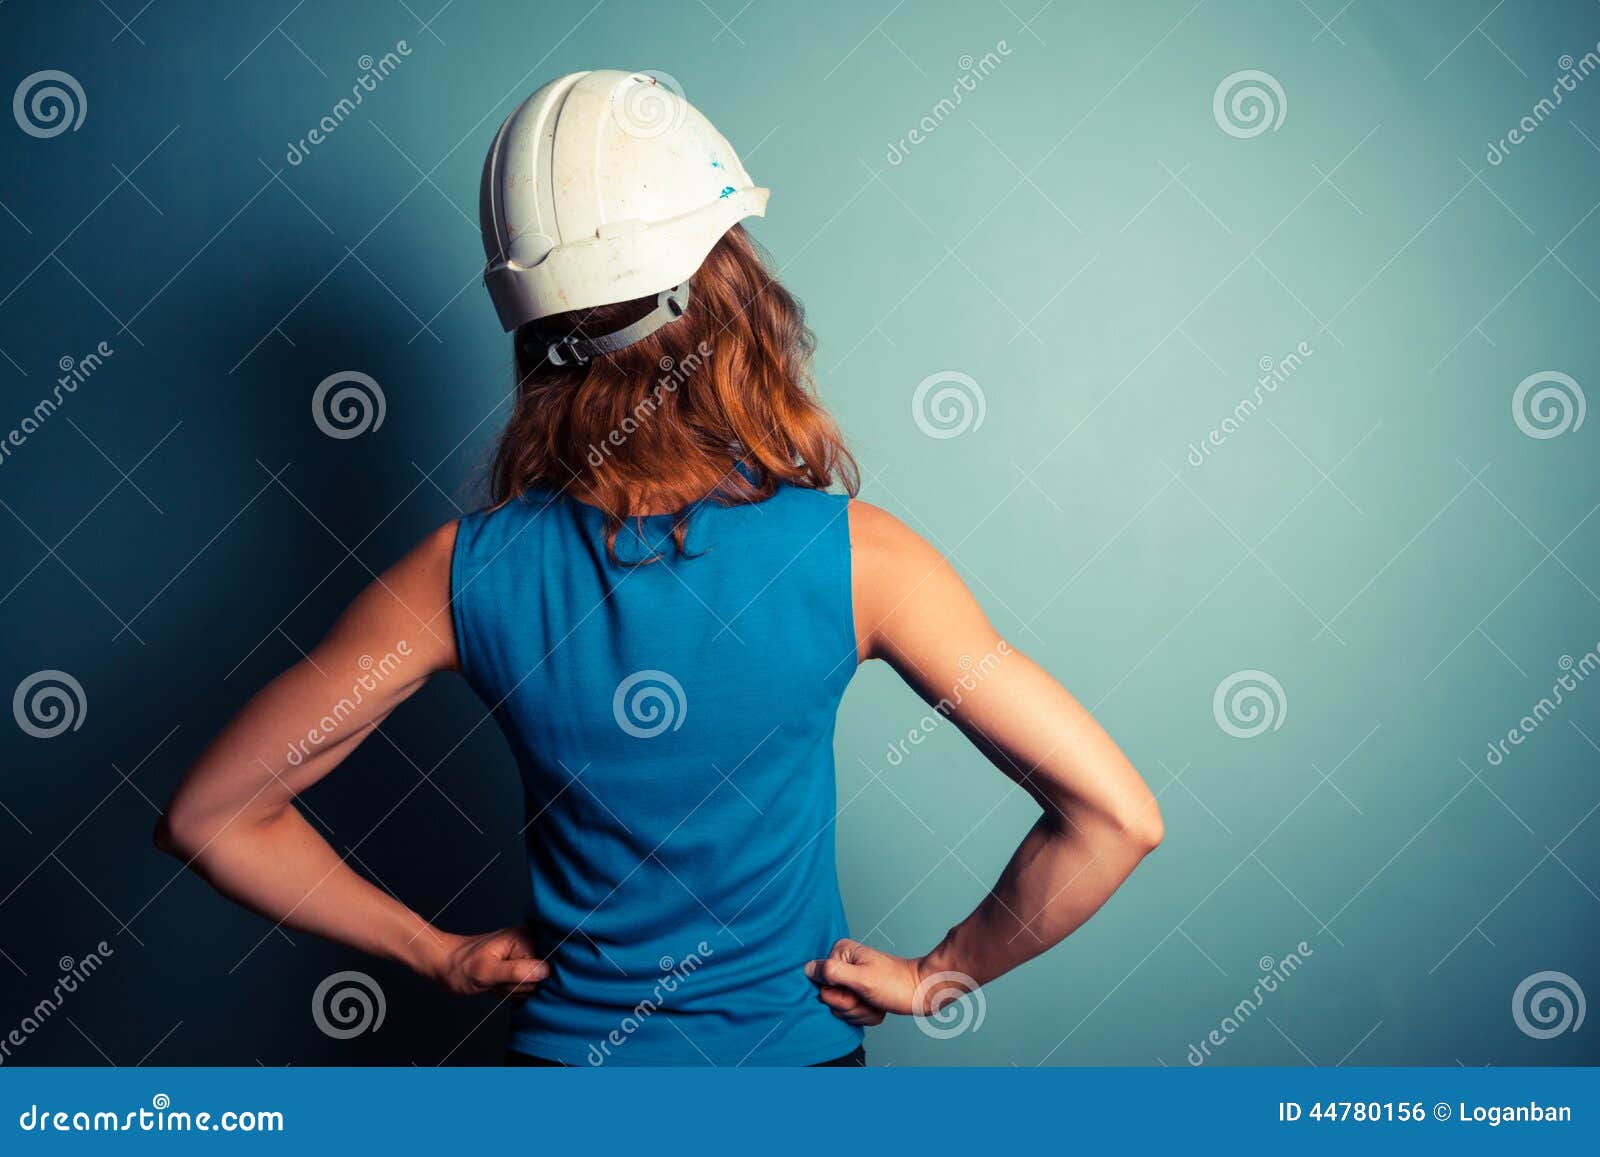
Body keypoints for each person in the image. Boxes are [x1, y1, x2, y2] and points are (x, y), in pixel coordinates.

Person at [156, 70, 1163, 1067]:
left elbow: (214, 815)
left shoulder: (459, 575)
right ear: (732, 301)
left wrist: (436, 953)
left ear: (540, 332)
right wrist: (938, 971)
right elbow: (1114, 818)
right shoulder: (861, 559)